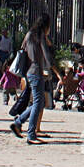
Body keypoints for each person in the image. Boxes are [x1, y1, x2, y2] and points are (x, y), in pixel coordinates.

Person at [10, 12, 56, 144]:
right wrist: (55, 70)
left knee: (39, 102)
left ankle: (18, 123)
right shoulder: (40, 36)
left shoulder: (29, 35)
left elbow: (22, 49)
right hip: (37, 71)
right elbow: (47, 57)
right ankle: (31, 134)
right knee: (38, 103)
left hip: (28, 72)